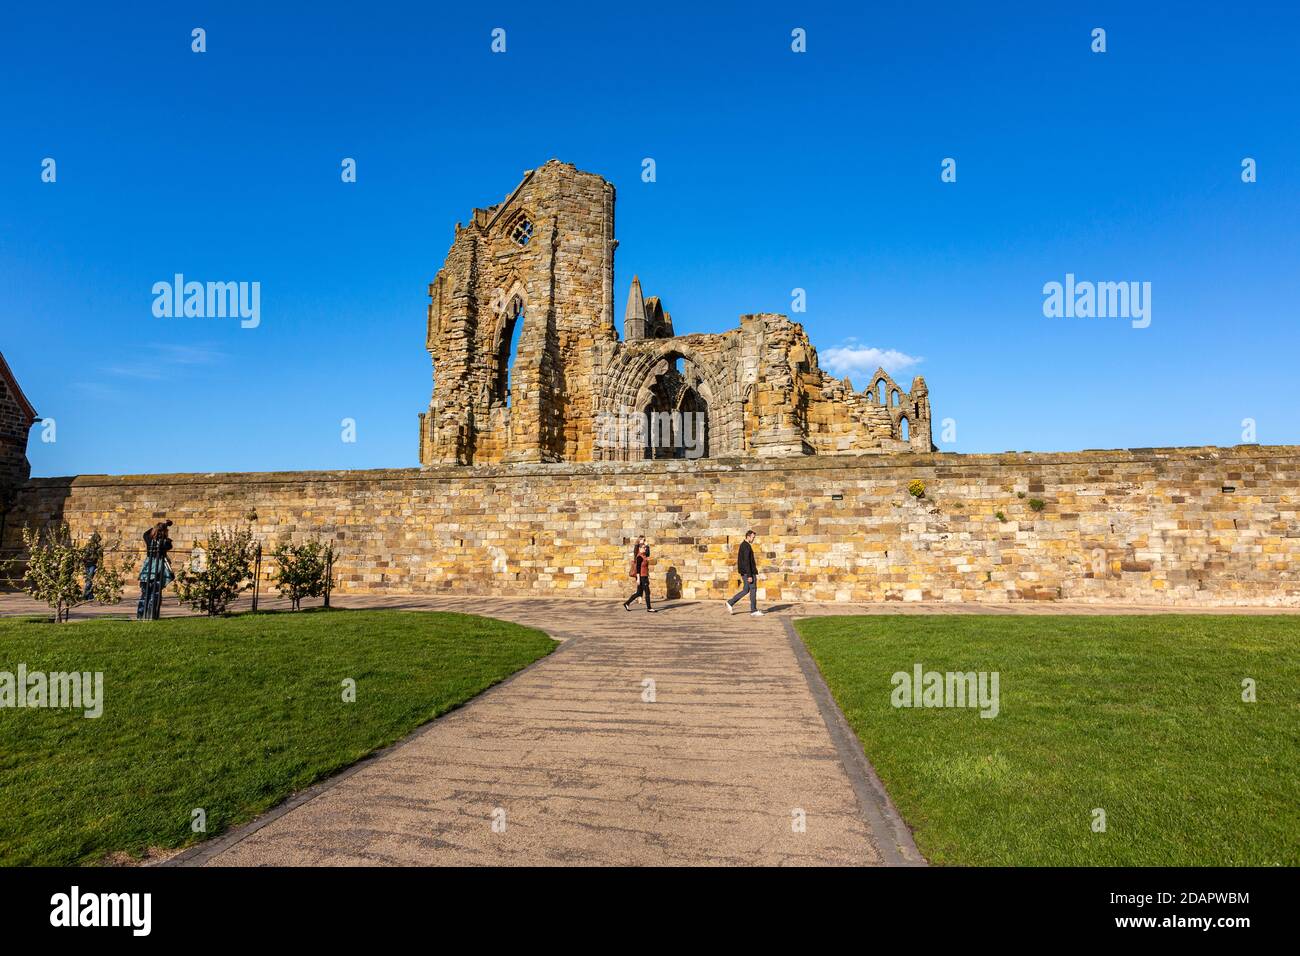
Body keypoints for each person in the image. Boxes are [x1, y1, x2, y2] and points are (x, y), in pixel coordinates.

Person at [137, 520, 174, 621]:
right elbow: (169, 545)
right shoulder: (165, 542)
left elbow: (146, 533)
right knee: (155, 593)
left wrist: (158, 527)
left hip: (148, 566)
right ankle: (151, 615)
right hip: (158, 568)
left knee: (145, 593)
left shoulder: (149, 539)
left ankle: (141, 615)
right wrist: (164, 526)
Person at [724, 529, 763, 616]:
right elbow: (746, 562)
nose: (753, 539)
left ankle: (730, 603)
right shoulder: (746, 546)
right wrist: (749, 575)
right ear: (748, 536)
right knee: (753, 589)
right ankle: (754, 610)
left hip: (745, 572)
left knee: (746, 590)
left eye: (754, 537)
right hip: (748, 573)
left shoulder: (744, 545)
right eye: (753, 537)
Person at [622, 541, 657, 612]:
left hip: (645, 576)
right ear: (640, 548)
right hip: (642, 577)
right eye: (644, 547)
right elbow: (638, 569)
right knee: (647, 592)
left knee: (639, 593)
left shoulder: (644, 556)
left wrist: (647, 545)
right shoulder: (639, 557)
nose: (645, 548)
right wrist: (638, 579)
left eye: (645, 547)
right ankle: (649, 608)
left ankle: (626, 603)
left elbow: (648, 553)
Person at [82, 531, 103, 601]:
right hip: (86, 564)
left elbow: (100, 558)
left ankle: (84, 595)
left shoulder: (98, 547)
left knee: (89, 580)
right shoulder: (88, 546)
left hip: (93, 565)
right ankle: (90, 596)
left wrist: (99, 567)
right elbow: (83, 554)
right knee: (89, 580)